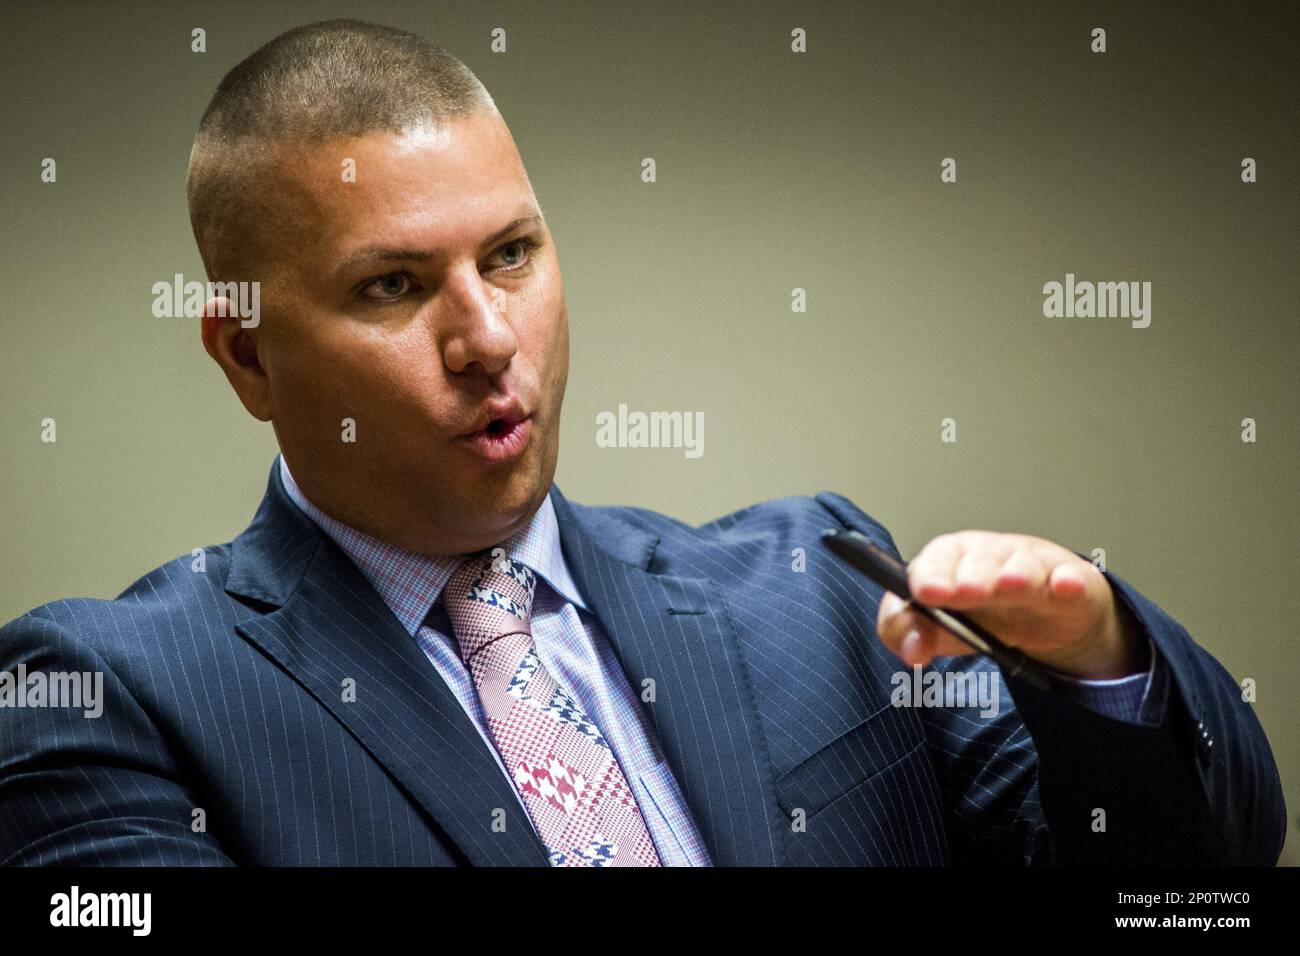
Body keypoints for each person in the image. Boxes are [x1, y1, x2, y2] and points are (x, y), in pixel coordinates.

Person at [0, 19, 1284, 867]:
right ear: (246, 355)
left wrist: (1102, 673)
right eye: (393, 285)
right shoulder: (109, 696)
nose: (487, 336)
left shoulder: (821, 585)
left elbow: (1191, 877)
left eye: (512, 254)